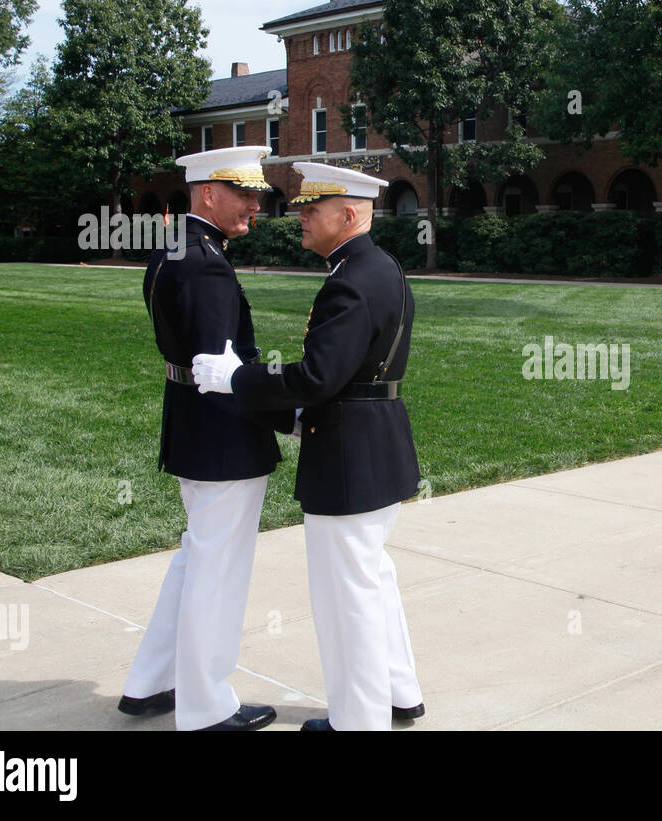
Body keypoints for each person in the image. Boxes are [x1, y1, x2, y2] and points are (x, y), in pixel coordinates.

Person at [192, 162, 424, 731]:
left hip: (348, 458)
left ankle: (358, 721)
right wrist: (293, 413)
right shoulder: (380, 267)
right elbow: (353, 374)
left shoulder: (349, 280)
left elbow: (318, 376)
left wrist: (237, 380)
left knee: (348, 600)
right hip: (377, 444)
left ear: (347, 215)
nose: (299, 219)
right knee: (371, 579)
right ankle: (398, 694)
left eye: (311, 210)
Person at [120, 146, 292, 732]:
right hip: (221, 436)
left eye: (257, 195)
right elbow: (222, 371)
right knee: (217, 571)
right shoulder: (207, 263)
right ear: (207, 194)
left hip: (192, 427)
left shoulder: (174, 248)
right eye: (242, 193)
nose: (254, 205)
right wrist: (289, 408)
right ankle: (205, 707)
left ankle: (151, 682)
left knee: (197, 560)